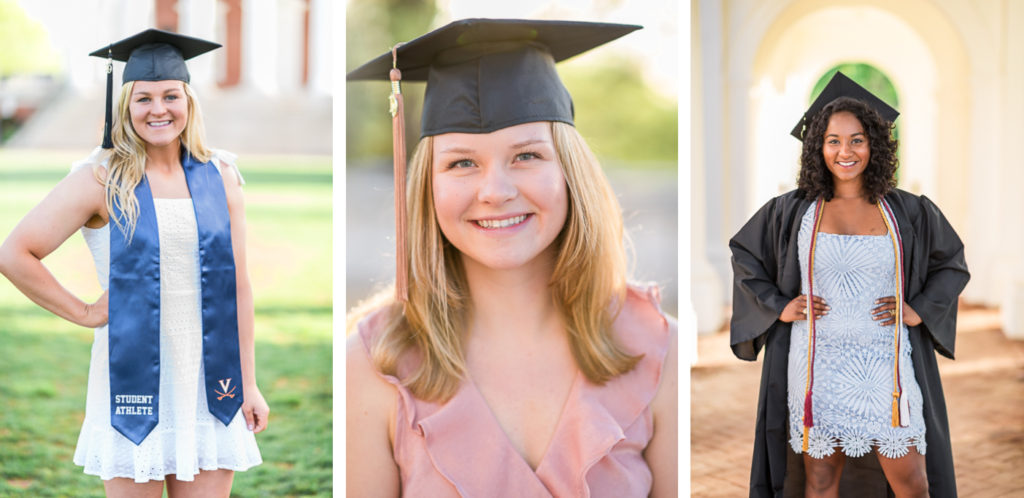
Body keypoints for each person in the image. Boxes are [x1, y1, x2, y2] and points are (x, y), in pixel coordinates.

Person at [346, 19, 678, 497]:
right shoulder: (373, 364)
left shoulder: (657, 351)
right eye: (462, 162)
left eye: (526, 156)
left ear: (569, 173)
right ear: (427, 185)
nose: (496, 192)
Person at [0, 29, 267, 497]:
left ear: (189, 100)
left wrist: (249, 381)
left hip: (210, 385)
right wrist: (84, 312)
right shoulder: (100, 180)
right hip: (130, 381)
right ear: (124, 105)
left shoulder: (221, 176)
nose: (158, 109)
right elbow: (14, 253)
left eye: (170, 95)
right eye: (143, 98)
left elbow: (238, 287)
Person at [730, 72, 969, 497]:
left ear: (874, 145)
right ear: (817, 147)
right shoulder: (792, 212)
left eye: (857, 140)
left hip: (887, 364)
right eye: (833, 140)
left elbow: (950, 262)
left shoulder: (907, 211)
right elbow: (746, 255)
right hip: (817, 362)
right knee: (820, 481)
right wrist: (778, 306)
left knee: (913, 481)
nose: (845, 151)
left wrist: (921, 309)